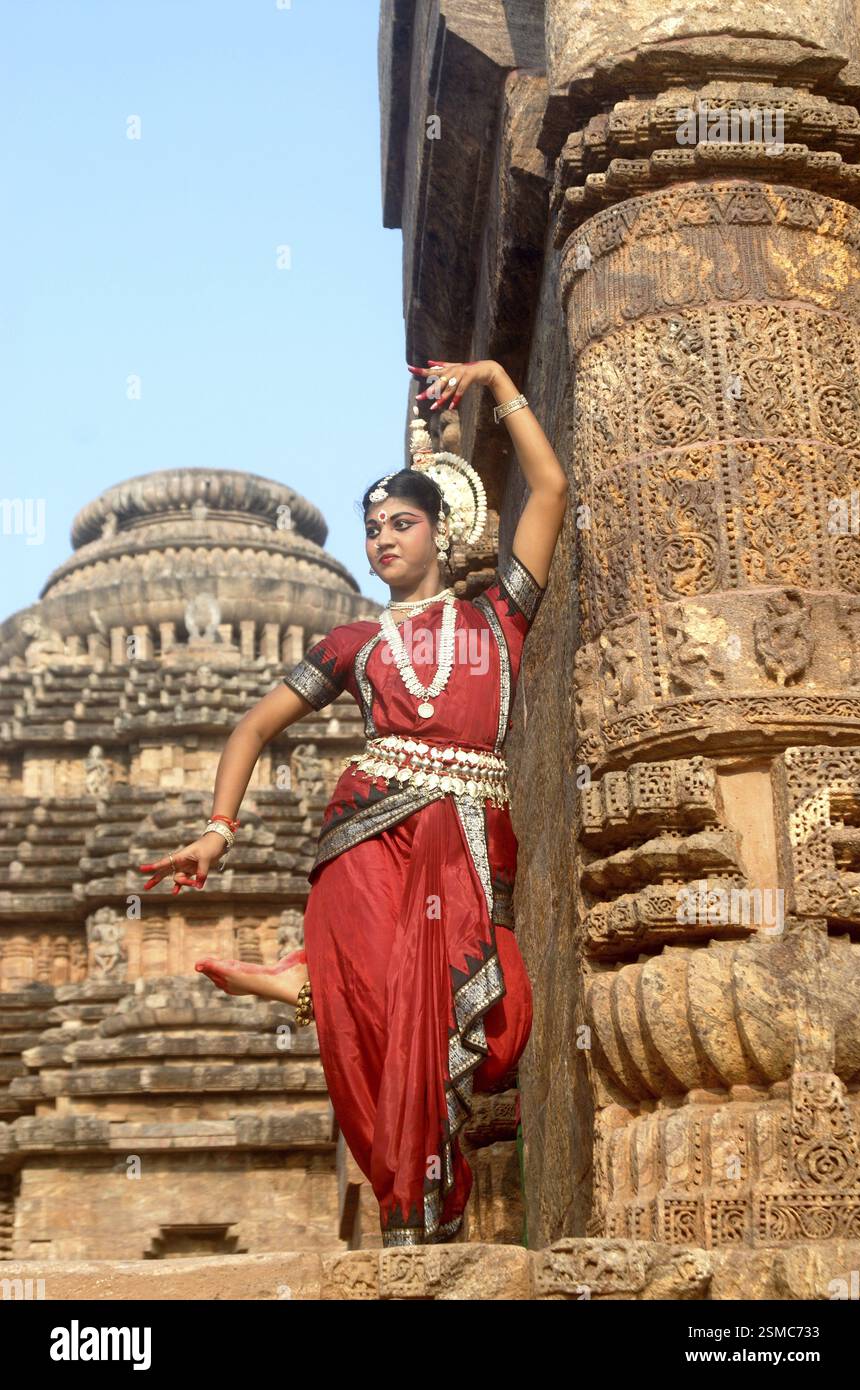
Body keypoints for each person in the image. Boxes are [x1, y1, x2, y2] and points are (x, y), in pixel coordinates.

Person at [138, 358, 567, 1245]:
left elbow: (552, 484)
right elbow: (254, 728)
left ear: (444, 532)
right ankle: (324, 1002)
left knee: (492, 1023)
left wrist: (492, 378)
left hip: (469, 834)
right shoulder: (350, 641)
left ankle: (306, 985)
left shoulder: (497, 616)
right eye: (372, 528)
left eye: (401, 523)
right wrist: (218, 829)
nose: (382, 540)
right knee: (383, 1011)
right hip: (365, 835)